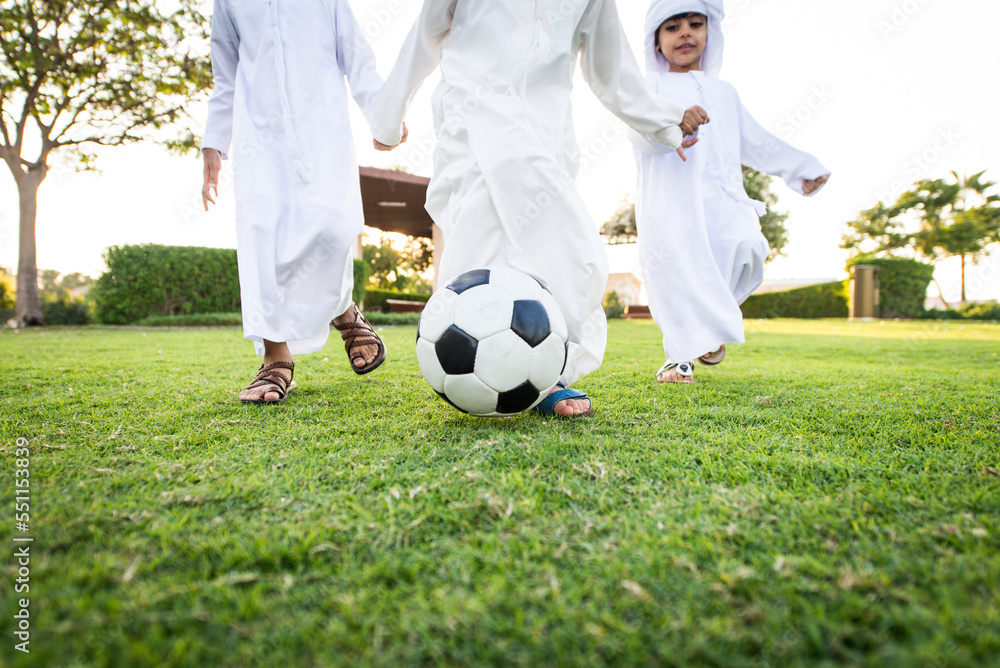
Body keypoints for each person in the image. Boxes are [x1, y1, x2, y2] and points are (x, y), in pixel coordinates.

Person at [370, 0, 703, 416]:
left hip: (547, 130)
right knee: (481, 232)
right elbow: (426, 32)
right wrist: (388, 115)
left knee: (564, 246)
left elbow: (611, 69)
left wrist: (664, 119)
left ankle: (549, 373)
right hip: (473, 111)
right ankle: (499, 376)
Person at [201, 0, 393, 403]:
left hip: (323, 131)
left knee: (334, 227)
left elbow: (356, 55)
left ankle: (342, 309)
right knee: (262, 238)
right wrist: (214, 145)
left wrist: (382, 115)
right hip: (259, 141)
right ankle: (276, 358)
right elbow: (226, 77)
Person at [631, 0, 830, 384]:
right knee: (675, 272)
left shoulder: (723, 91)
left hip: (724, 200)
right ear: (656, 42)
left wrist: (801, 169)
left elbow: (756, 141)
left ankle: (711, 321)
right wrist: (673, 124)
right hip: (670, 201)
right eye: (672, 27)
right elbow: (638, 134)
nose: (685, 33)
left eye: (694, 24)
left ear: (711, 33)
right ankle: (680, 359)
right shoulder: (649, 87)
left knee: (749, 248)